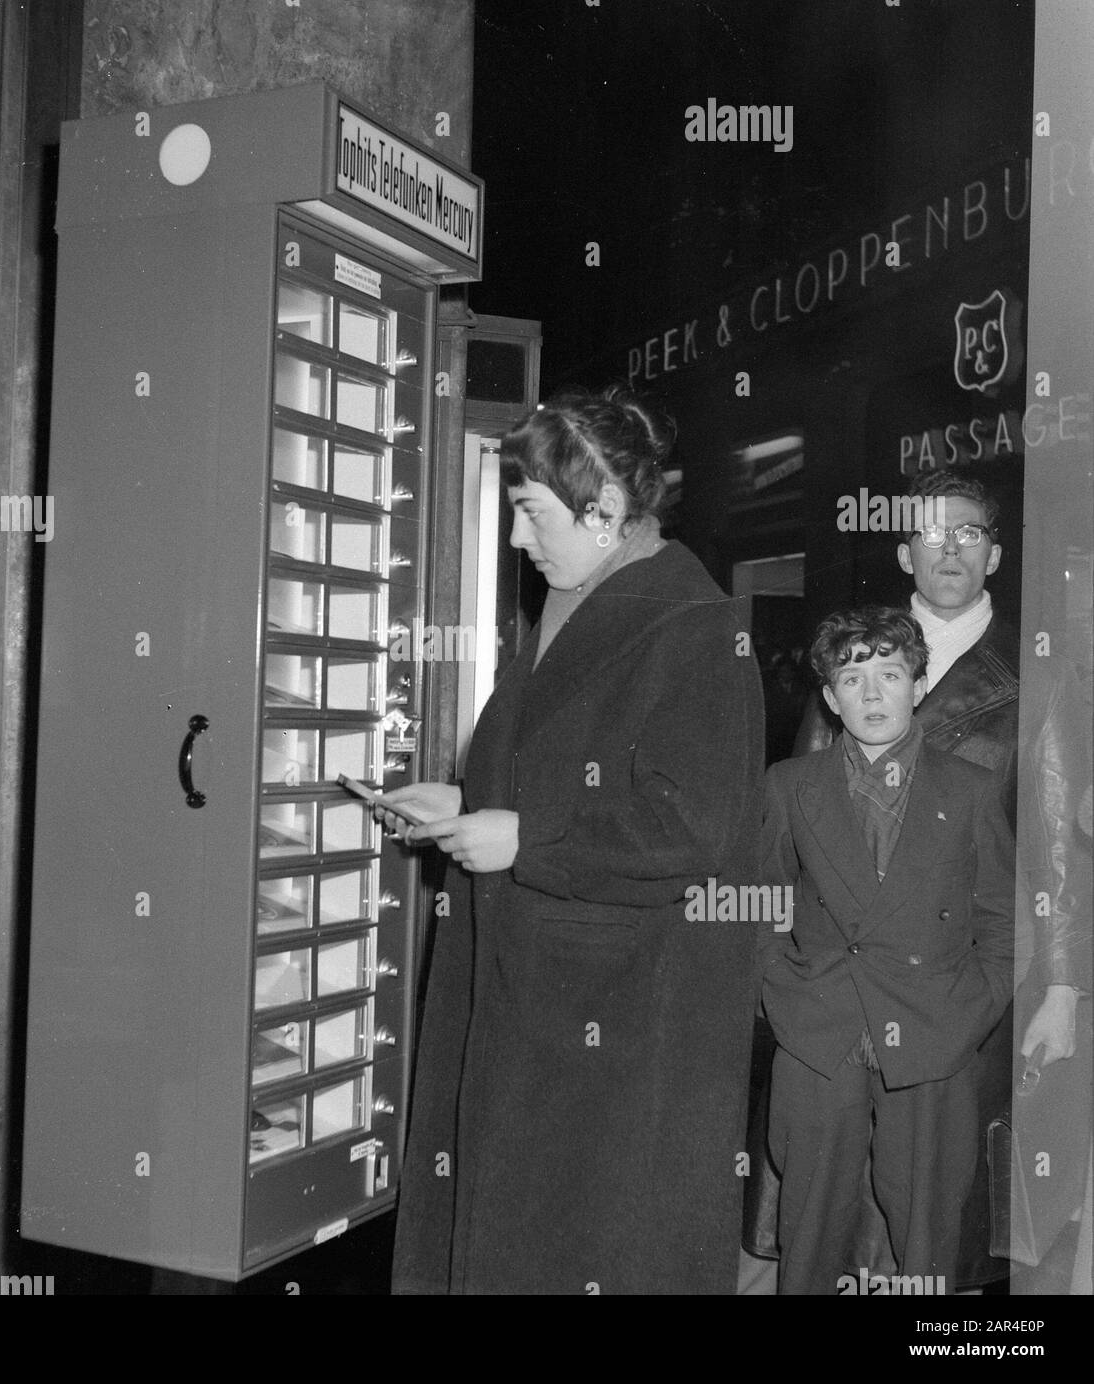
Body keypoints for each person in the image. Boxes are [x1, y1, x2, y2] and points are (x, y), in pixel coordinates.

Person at [384, 386, 765, 1294]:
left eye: (529, 513)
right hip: (546, 1007)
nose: (518, 539)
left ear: (607, 510)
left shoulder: (698, 630)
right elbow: (567, 768)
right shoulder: (579, 602)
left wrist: (525, 837)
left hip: (619, 1033)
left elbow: (688, 826)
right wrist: (465, 800)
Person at [743, 469, 1085, 1289]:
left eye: (968, 535)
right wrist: (784, 992)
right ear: (905, 552)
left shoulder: (1040, 676)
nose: (950, 551)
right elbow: (781, 848)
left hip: (948, 998)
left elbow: (1060, 849)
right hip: (831, 1013)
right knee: (820, 1224)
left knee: (932, 1225)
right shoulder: (855, 656)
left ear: (995, 555)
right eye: (932, 535)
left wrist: (1062, 988)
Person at [760, 607, 1014, 1294]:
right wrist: (789, 1003)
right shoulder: (789, 787)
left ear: (919, 686)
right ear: (830, 696)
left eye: (891, 675)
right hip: (821, 1035)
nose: (872, 696)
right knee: (807, 1231)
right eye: (853, 677)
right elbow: (758, 910)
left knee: (927, 1236)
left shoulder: (969, 790)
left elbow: (1001, 919)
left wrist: (970, 1012)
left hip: (932, 1037)